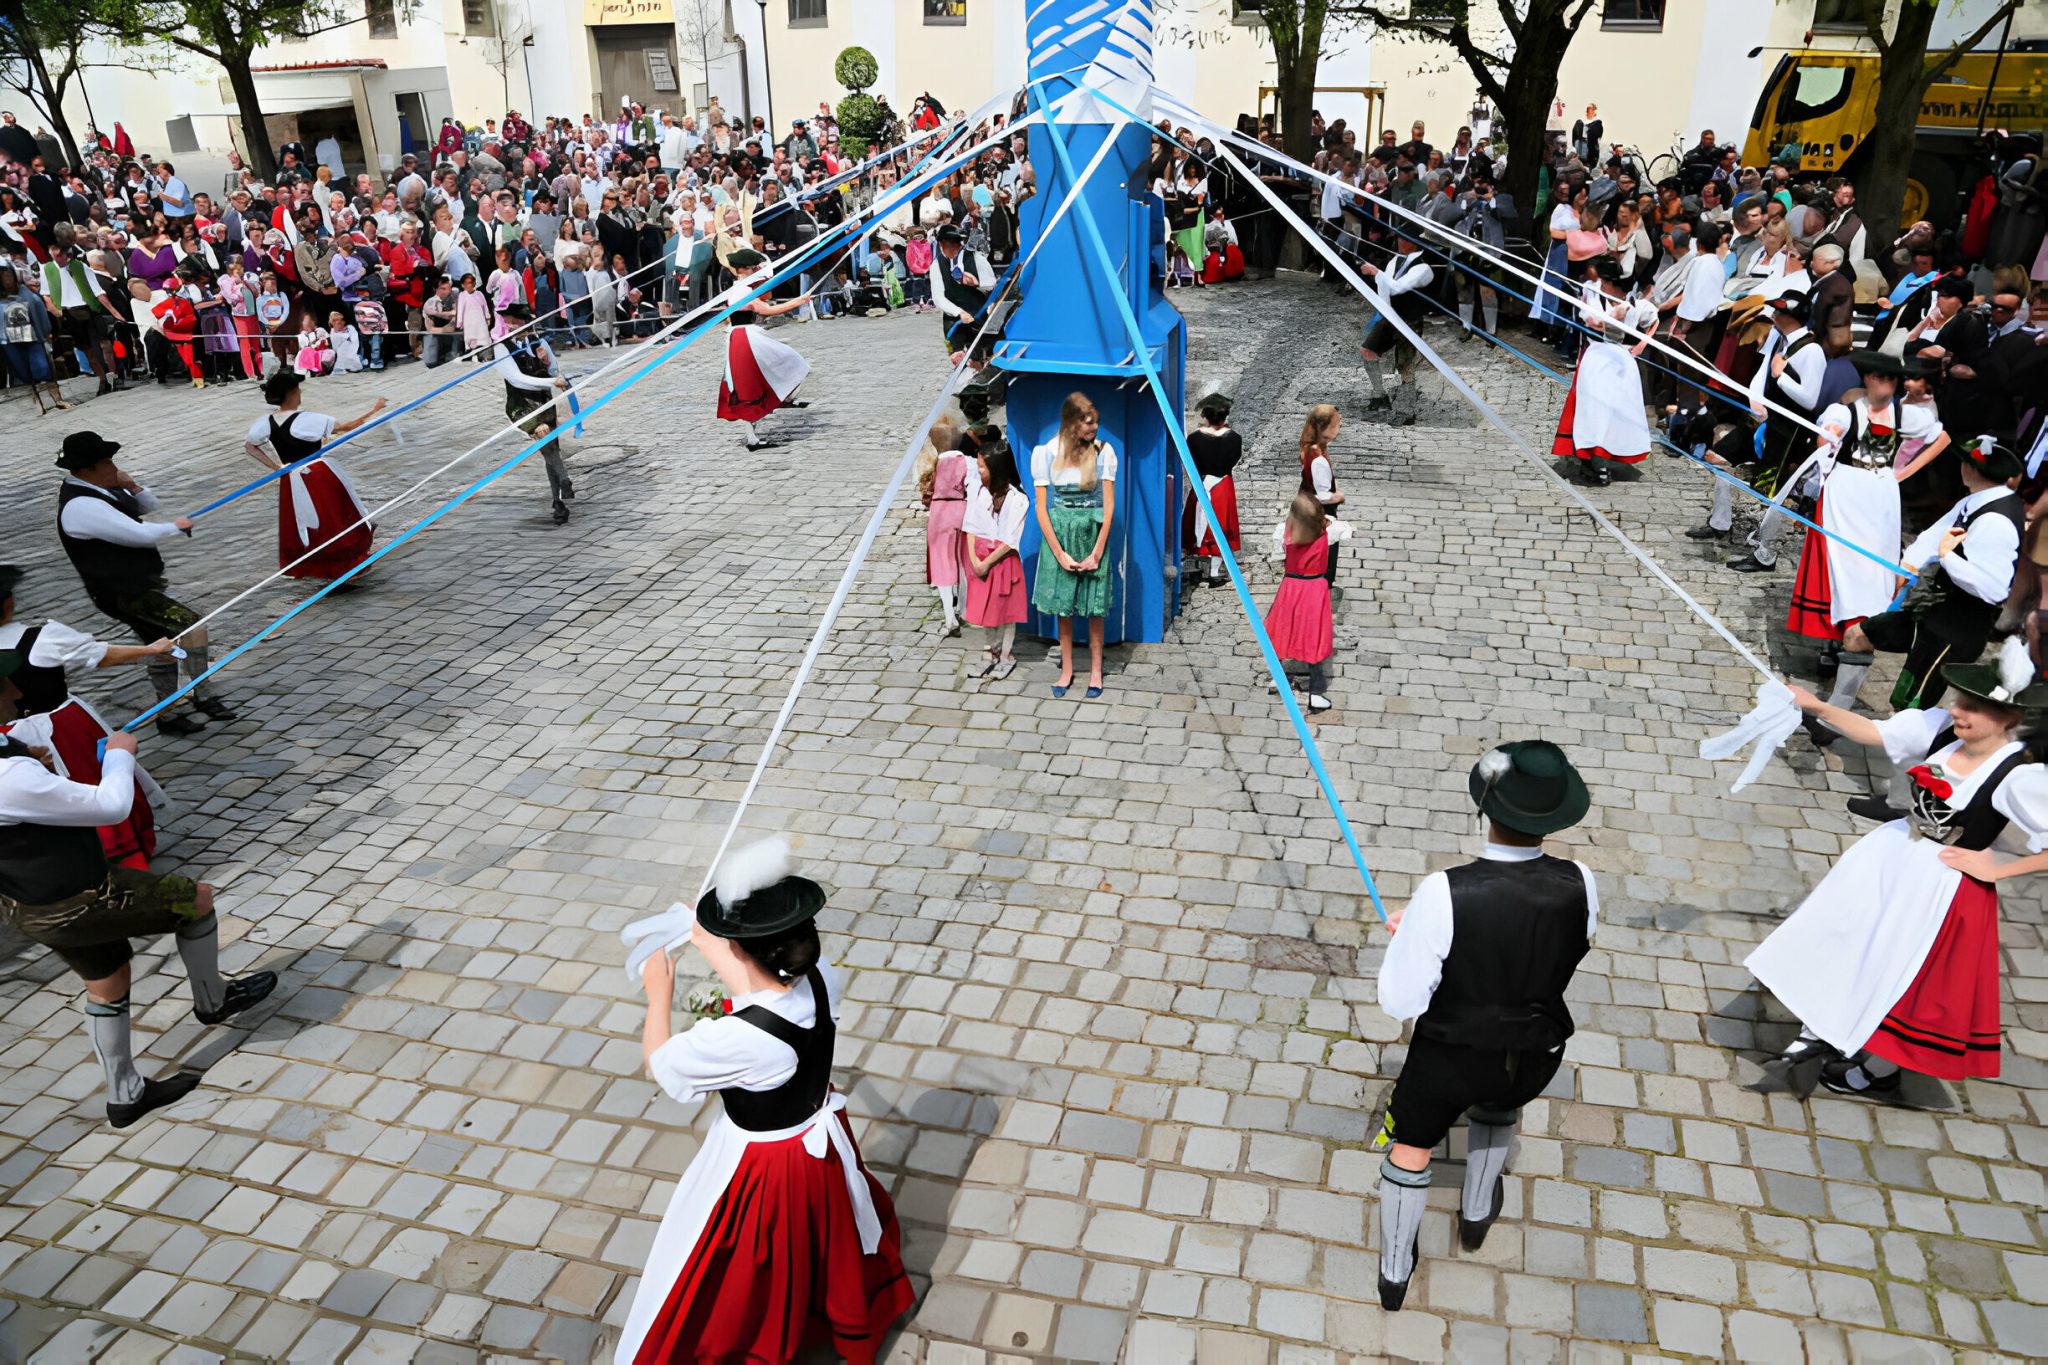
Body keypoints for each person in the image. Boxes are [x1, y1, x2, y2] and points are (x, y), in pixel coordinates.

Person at [618, 836, 914, 1363]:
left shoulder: (739, 1040)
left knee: (748, 1265)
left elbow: (661, 1066)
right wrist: (713, 938)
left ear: (746, 948)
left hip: (765, 1168)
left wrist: (658, 994)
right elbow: (761, 988)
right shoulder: (823, 979)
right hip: (815, 1147)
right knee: (821, 1240)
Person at [0, 657, 275, 1128]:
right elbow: (110, 806)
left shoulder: (9, 755)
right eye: (3, 683)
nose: (15, 692)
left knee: (107, 979)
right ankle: (215, 1001)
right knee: (197, 900)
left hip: (30, 904)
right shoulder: (9, 777)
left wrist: (34, 761)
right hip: (79, 897)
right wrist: (120, 754)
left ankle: (125, 1095)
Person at [1762, 644, 2048, 1097]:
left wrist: (2001, 867)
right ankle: (1822, 1022)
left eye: (1977, 708)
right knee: (1846, 935)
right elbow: (1874, 732)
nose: (1961, 711)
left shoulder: (2019, 775)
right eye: (1961, 700)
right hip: (1890, 858)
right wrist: (1815, 705)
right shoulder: (1938, 730)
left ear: (2011, 719)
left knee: (1908, 973)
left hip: (1942, 887)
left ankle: (1877, 1068)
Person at [1372, 741, 1597, 1309]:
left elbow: (1401, 1000)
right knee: (1500, 1106)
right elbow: (1575, 944)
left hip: (1449, 1058)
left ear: (1487, 811)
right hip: (1534, 1053)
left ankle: (1395, 1270)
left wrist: (1416, 933)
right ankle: (1475, 1212)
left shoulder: (1444, 891)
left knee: (1411, 1146)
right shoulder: (1582, 881)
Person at [1840, 440, 2025, 780]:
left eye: (1964, 462)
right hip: (1928, 613)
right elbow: (1937, 532)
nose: (1961, 467)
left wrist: (1947, 557)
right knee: (1858, 636)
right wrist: (1907, 566)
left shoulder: (1997, 521)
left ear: (1973, 470)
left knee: (1910, 710)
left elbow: (1993, 588)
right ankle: (1834, 718)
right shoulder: (1977, 501)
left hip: (1954, 632)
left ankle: (1898, 798)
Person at [1790, 354, 1950, 738]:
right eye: (1881, 379)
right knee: (1840, 568)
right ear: (1868, 378)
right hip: (1845, 492)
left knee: (1873, 574)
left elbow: (1941, 437)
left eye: (1894, 380)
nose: (1888, 386)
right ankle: (1836, 642)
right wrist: (1828, 445)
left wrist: (1902, 473)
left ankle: (1852, 645)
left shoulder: (1905, 416)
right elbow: (1824, 440)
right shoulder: (1846, 412)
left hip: (1881, 498)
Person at [54, 432, 230, 738]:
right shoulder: (81, 505)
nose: (114, 467)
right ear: (85, 469)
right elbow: (139, 534)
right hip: (122, 592)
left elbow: (148, 505)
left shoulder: (104, 490)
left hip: (138, 585)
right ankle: (202, 692)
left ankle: (169, 710)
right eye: (107, 462)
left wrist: (132, 486)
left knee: (160, 643)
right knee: (192, 626)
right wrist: (176, 528)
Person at [1708, 290, 1826, 562]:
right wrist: (1756, 400)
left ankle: (1765, 555)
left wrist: (1781, 375)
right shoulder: (1778, 338)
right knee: (1718, 459)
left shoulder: (1812, 351)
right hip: (1761, 420)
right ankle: (1720, 522)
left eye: (1781, 311)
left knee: (1769, 490)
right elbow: (1763, 372)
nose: (1775, 314)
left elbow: (1810, 399)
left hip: (1787, 431)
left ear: (1793, 317)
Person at [245, 373, 385, 581]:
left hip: (291, 477)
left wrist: (276, 468)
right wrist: (375, 409)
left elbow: (250, 446)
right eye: (298, 390)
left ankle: (320, 563)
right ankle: (344, 563)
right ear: (292, 394)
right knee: (334, 517)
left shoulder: (266, 422)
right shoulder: (307, 419)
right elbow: (346, 427)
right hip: (318, 474)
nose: (300, 393)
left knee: (310, 522)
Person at [1031, 393, 1117, 700]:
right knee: (1062, 608)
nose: (1093, 430)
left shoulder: (1104, 452)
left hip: (1092, 532)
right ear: (1071, 422)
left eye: (1095, 424)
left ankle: (1095, 670)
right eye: (1087, 424)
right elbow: (1041, 508)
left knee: (1095, 609)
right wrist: (1059, 553)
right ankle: (1066, 669)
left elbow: (1108, 508)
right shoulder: (1045, 453)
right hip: (1059, 534)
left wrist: (1096, 552)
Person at [1551, 259, 1655, 486]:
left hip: (1621, 363)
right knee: (1593, 409)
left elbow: (1652, 319)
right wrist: (1611, 318)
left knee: (1615, 411)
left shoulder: (1634, 303)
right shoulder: (1592, 293)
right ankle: (1593, 461)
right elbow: (1590, 320)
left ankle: (1606, 457)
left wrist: (1640, 346)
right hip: (1596, 359)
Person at [714, 250, 811, 452]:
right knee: (755, 380)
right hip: (746, 338)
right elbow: (765, 310)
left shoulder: (739, 288)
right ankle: (757, 432)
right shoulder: (742, 291)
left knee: (754, 380)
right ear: (747, 269)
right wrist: (798, 302)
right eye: (753, 268)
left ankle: (780, 402)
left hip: (743, 337)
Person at [1264, 494, 1349, 713]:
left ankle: (1277, 677)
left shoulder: (1284, 534)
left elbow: (1278, 552)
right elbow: (1344, 529)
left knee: (1283, 629)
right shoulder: (1328, 534)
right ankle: (1316, 693)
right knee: (1314, 636)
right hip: (1314, 589)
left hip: (1291, 587)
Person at [493, 303, 577, 525]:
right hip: (522, 404)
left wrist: (547, 363)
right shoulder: (501, 348)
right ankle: (565, 480)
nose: (511, 325)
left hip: (544, 402)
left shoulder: (539, 343)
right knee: (545, 442)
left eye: (515, 321)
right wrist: (551, 381)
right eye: (508, 320)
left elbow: (554, 371)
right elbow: (516, 379)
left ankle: (558, 503)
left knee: (551, 450)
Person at [963, 438, 1028, 682]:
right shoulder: (977, 492)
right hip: (980, 558)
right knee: (985, 612)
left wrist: (988, 561)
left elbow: (1010, 539)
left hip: (1002, 560)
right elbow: (970, 525)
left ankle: (1006, 655)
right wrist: (974, 559)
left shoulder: (1017, 499)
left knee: (1005, 611)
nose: (978, 471)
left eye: (983, 467)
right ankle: (989, 653)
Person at [1358, 234, 1434, 427]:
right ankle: (1379, 394)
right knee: (1368, 351)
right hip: (1390, 317)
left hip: (1409, 322)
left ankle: (1407, 410)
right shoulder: (1395, 261)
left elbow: (1397, 288)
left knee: (1405, 365)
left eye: (1405, 239)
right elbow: (1385, 288)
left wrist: (1376, 272)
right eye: (1399, 239)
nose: (1400, 243)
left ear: (1414, 242)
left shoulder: (1423, 268)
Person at [1181, 387, 1242, 587]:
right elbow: (1234, 460)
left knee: (1195, 523)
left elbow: (1191, 462)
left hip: (1201, 483)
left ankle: (1194, 564)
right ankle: (1215, 570)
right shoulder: (1234, 438)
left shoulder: (1195, 438)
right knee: (1220, 527)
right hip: (1223, 484)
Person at [929, 225, 994, 355]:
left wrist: (976, 283)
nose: (951, 247)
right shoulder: (937, 264)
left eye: (954, 243)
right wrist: (959, 312)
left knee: (983, 354)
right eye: (946, 244)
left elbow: (991, 285)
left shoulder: (976, 258)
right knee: (959, 356)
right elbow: (938, 297)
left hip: (979, 315)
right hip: (954, 319)